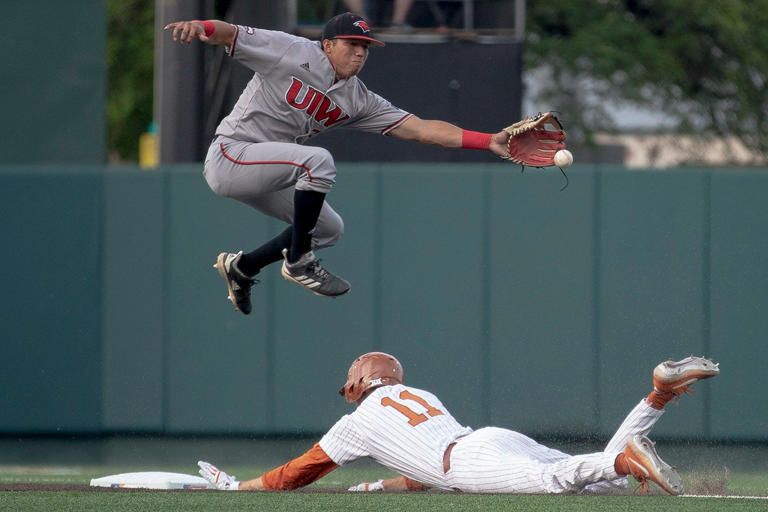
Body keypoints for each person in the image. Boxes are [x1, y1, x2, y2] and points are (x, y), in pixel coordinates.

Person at [164, 13, 544, 315]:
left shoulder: (357, 99)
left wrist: (487, 141)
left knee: (328, 228)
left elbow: (420, 129)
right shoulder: (293, 51)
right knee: (319, 163)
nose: (360, 53)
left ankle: (243, 267)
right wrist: (202, 26)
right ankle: (298, 262)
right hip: (232, 153)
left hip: (273, 167)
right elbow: (231, 35)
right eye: (352, 44)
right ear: (328, 44)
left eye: (366, 47)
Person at [196, 353, 719, 494]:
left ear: (360, 379)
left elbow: (297, 473)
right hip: (486, 440)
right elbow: (421, 463)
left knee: (556, 482)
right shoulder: (417, 393)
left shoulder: (355, 422)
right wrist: (383, 485)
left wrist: (240, 487)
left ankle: (629, 460)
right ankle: (657, 393)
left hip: (468, 460)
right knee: (586, 474)